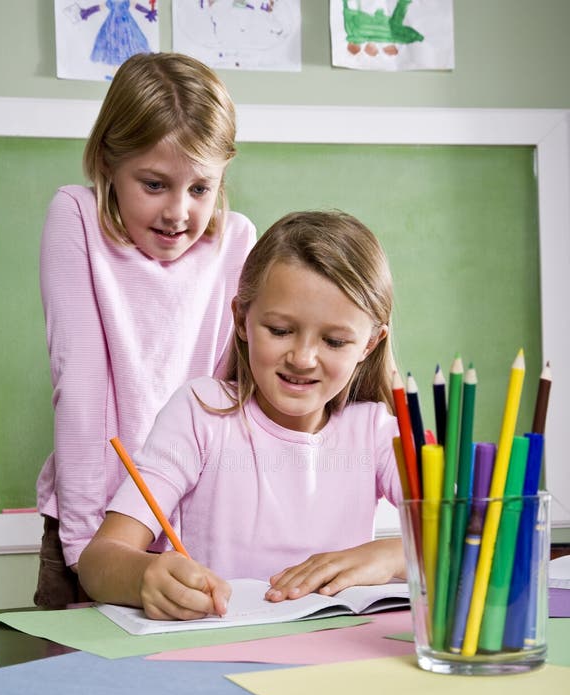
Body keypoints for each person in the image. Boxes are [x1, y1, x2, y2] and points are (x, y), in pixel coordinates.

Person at [78, 210, 406, 621]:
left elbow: (480, 539)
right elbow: (97, 562)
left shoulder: (375, 432)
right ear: (242, 319)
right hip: (218, 652)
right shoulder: (201, 413)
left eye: (335, 340)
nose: (303, 358)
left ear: (370, 345)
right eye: (280, 330)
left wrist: (394, 556)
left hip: (332, 662)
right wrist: (145, 574)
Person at [34, 52, 256, 608]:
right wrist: (86, 549)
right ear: (108, 162)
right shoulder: (77, 218)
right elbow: (78, 386)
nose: (179, 211)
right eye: (154, 184)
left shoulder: (236, 243)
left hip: (193, 530)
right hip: (94, 530)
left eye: (201, 188)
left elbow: (232, 397)